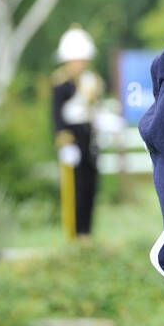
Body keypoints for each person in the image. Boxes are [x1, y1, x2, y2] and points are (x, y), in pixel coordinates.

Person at [51, 25, 103, 239]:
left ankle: (86, 233)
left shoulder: (93, 81)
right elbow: (56, 115)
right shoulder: (61, 83)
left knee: (90, 187)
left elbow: (94, 110)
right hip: (72, 140)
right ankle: (73, 233)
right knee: (76, 189)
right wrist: (64, 142)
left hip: (89, 138)